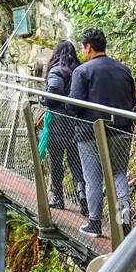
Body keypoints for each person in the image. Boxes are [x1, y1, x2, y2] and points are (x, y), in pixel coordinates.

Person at [68, 28, 136, 237]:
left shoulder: (83, 71)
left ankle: (95, 223)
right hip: (122, 129)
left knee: (93, 178)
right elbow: (132, 101)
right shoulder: (123, 70)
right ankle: (123, 223)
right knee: (118, 174)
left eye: (83, 48)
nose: (82, 52)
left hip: (91, 134)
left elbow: (73, 106)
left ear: (88, 47)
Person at [41, 41, 87, 211]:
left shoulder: (56, 70)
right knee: (75, 161)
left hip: (58, 122)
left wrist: (42, 99)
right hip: (76, 122)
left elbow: (52, 97)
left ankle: (58, 198)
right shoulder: (79, 70)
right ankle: (81, 193)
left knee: (55, 161)